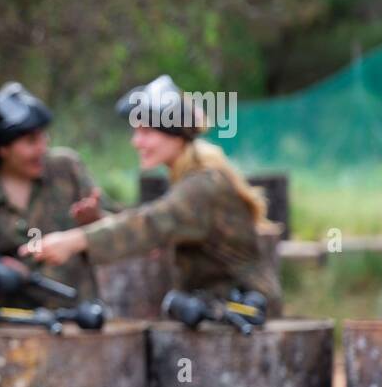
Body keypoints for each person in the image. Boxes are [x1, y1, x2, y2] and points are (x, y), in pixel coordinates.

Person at [20, 74, 280, 303]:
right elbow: (158, 234)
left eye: (146, 132)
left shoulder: (202, 186)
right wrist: (100, 221)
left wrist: (72, 241)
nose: (136, 142)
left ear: (175, 134)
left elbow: (151, 224)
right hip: (225, 312)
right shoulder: (192, 178)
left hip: (247, 316)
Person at [0, 82, 118, 306]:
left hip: (79, 316)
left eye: (44, 137)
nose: (43, 148)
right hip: (16, 325)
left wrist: (95, 219)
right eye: (31, 141)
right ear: (3, 150)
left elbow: (118, 228)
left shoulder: (67, 170)